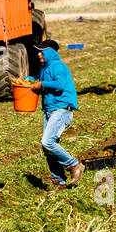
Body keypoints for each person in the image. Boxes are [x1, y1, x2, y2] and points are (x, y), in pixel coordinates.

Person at [30, 40, 84, 189]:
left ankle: (74, 164)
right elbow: (40, 80)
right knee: (47, 148)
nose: (38, 54)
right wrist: (28, 81)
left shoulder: (58, 66)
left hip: (61, 109)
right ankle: (59, 181)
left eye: (41, 51)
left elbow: (59, 85)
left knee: (47, 142)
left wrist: (42, 84)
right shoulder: (43, 68)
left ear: (50, 52)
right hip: (49, 110)